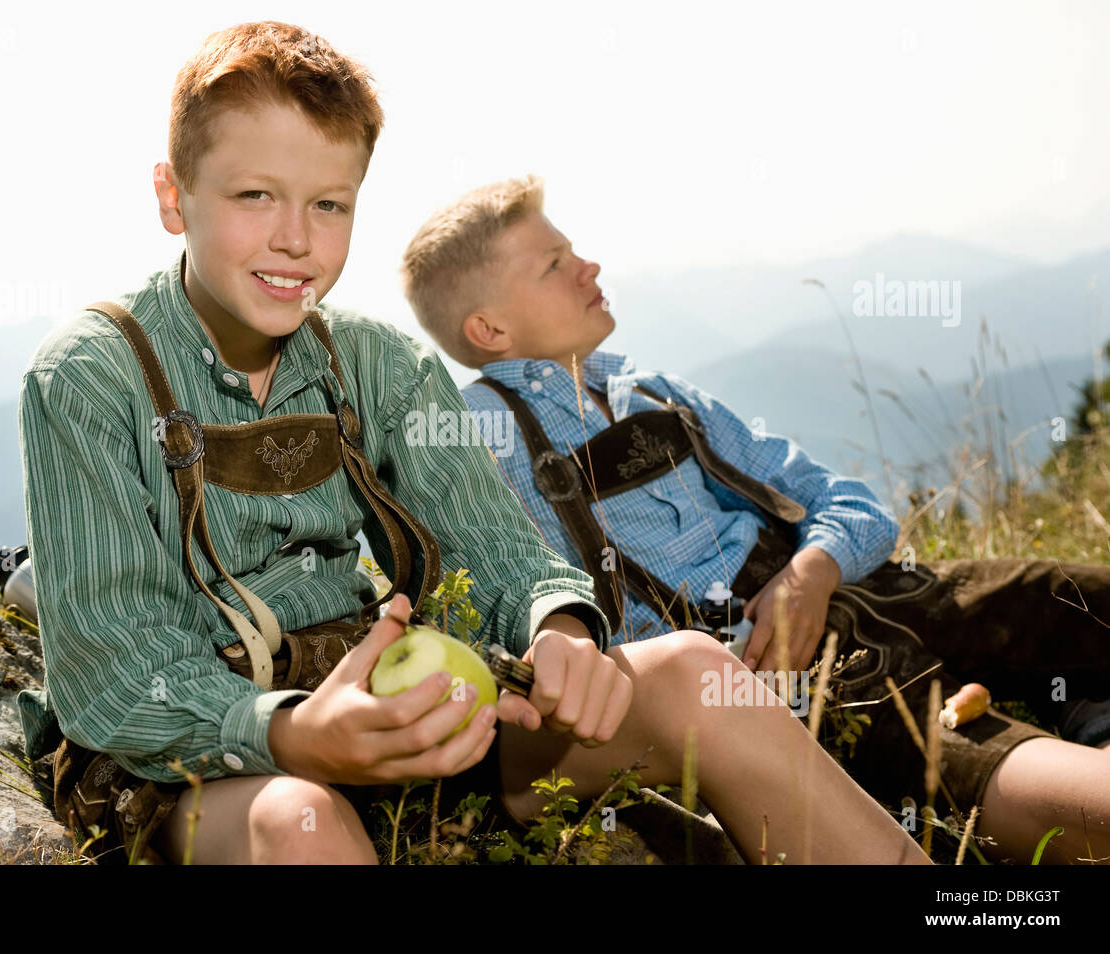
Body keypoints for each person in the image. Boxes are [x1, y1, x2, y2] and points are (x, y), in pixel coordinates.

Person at [16, 21, 927, 865]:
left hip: (390, 708)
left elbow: (495, 549)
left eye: (330, 205)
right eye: (255, 196)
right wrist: (293, 733)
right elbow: (114, 677)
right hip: (190, 759)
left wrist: (560, 626)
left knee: (692, 669)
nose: (295, 241)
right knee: (300, 820)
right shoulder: (89, 379)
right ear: (174, 197)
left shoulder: (376, 362)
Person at [400, 173, 1110, 864]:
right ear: (489, 327)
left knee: (1069, 595)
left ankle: (1082, 703)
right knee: (1018, 777)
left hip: (868, 595)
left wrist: (816, 566)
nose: (590, 266)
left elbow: (839, 497)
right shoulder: (480, 436)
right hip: (778, 681)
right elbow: (504, 607)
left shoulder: (652, 388)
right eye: (555, 265)